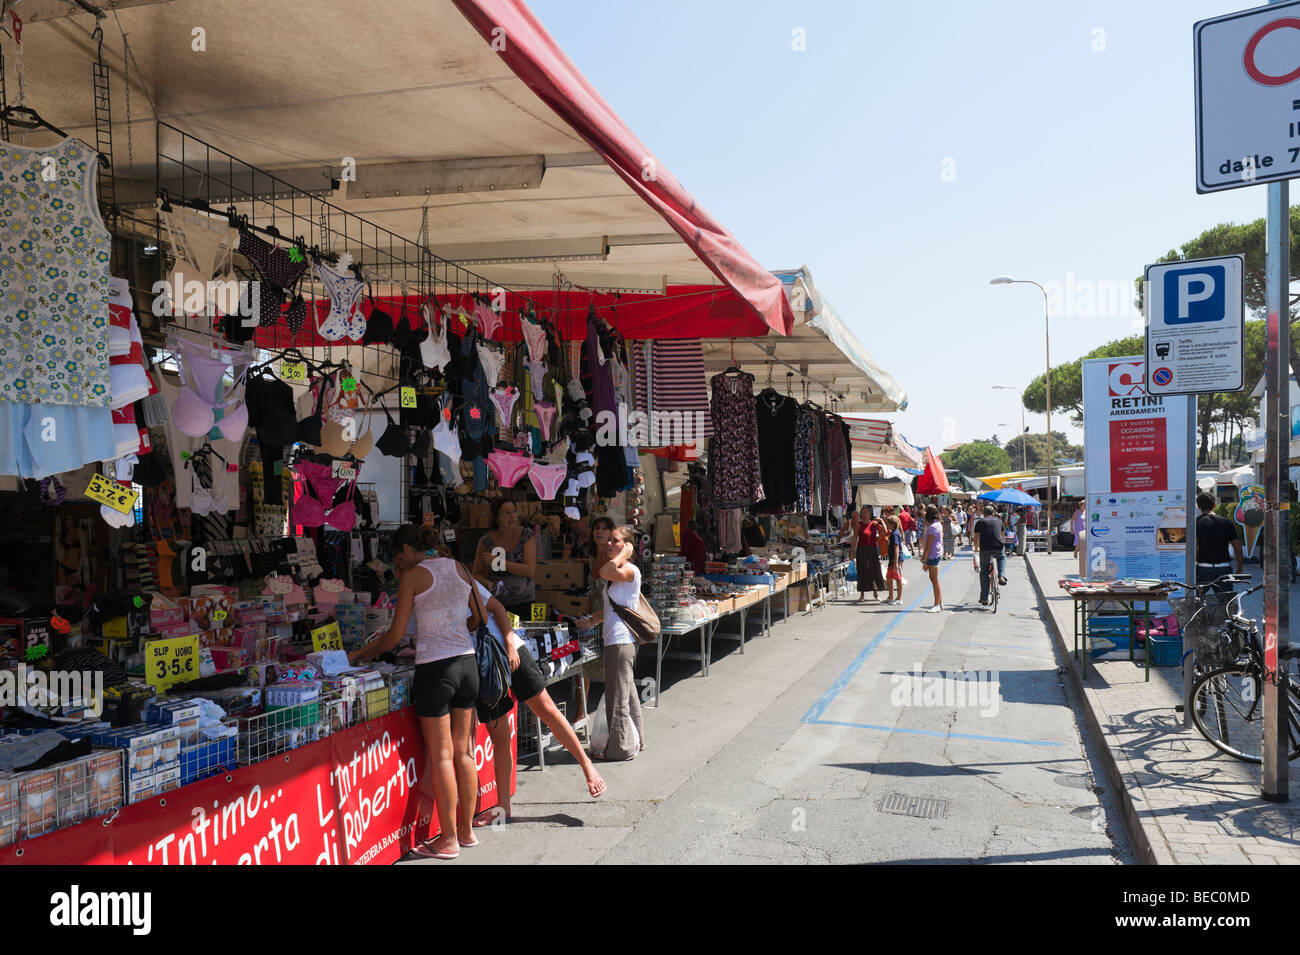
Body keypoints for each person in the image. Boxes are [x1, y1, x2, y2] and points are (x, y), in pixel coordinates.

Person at [348, 523, 480, 860]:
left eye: (397, 558)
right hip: (467, 663)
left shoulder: (414, 576)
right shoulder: (461, 568)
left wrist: (358, 655)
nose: (397, 566)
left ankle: (448, 839)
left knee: (441, 756)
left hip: (436, 669)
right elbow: (477, 617)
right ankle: (466, 831)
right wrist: (454, 631)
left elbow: (393, 636)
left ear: (407, 550)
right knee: (463, 753)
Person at [469, 565, 606, 825]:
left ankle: (587, 765)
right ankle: (503, 807)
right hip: (484, 663)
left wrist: (509, 642)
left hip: (510, 652)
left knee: (547, 710)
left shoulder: (463, 581)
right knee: (499, 737)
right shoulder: (425, 593)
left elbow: (497, 609)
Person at [579, 525, 644, 760]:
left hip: (620, 641)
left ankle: (620, 749)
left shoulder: (629, 570)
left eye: (615, 541)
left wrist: (622, 556)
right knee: (628, 693)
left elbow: (604, 572)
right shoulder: (619, 570)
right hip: (616, 640)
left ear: (627, 546)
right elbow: (612, 609)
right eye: (608, 541)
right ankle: (638, 740)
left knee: (617, 699)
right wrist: (591, 620)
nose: (609, 544)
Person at [473, 498, 537, 617]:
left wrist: (499, 562)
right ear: (496, 518)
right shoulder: (486, 541)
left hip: (524, 602)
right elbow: (475, 574)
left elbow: (529, 571)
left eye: (514, 511)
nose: (512, 516)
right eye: (506, 513)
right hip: (496, 603)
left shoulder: (526, 535)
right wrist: (487, 582)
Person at [1195, 493, 1243, 595]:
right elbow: (1237, 548)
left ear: (1198, 506)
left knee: (1196, 602)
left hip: (1202, 568)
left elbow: (1195, 547)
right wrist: (1239, 569)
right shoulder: (1227, 523)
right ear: (1214, 505)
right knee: (1225, 604)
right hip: (1224, 568)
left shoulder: (1197, 523)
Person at [972, 504, 1007, 605]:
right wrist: (1003, 544)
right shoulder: (999, 521)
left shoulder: (979, 522)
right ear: (993, 513)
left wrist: (976, 549)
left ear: (983, 513)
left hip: (985, 549)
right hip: (998, 547)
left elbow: (976, 538)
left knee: (984, 573)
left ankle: (984, 599)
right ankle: (1001, 576)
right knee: (1002, 557)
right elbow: (1002, 536)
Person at [855, 506, 886, 601]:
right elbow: (854, 538)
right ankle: (862, 595)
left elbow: (884, 532)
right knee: (862, 571)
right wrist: (852, 552)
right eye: (862, 512)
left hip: (872, 550)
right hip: (861, 550)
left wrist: (881, 521)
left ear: (869, 514)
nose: (864, 514)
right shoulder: (859, 524)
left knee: (874, 570)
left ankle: (875, 593)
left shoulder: (874, 524)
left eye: (866, 512)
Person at [923, 504, 945, 612]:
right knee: (934, 579)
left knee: (934, 580)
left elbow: (928, 546)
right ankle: (939, 603)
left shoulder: (933, 527)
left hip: (933, 554)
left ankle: (937, 604)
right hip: (936, 553)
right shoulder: (937, 524)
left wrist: (924, 560)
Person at [884, 515, 904, 605]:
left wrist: (896, 562)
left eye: (888, 524)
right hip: (893, 559)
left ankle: (899, 598)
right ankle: (891, 596)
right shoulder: (893, 533)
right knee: (889, 577)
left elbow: (896, 548)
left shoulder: (895, 534)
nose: (887, 525)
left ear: (893, 524)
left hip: (896, 559)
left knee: (898, 578)